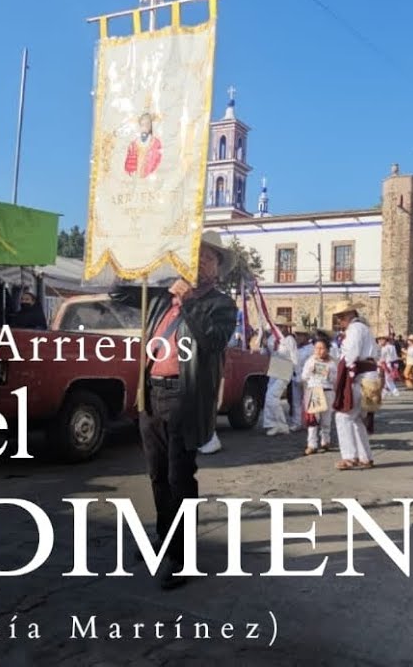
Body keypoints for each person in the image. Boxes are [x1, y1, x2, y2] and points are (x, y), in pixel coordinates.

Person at [119, 230, 237, 589]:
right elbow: (118, 292)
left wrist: (188, 302)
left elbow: (213, 341)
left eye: (209, 256)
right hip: (152, 394)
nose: (201, 261)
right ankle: (165, 540)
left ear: (217, 266)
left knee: (179, 479)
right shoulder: (162, 297)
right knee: (157, 475)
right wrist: (142, 260)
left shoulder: (221, 304)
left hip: (185, 397)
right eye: (194, 254)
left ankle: (182, 559)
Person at [330, 300, 379, 470]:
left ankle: (349, 456)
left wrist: (343, 373)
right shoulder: (362, 328)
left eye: (341, 316)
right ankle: (365, 457)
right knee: (356, 418)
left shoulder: (355, 329)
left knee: (343, 416)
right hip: (368, 376)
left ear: (350, 315)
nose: (339, 320)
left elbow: (351, 354)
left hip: (360, 376)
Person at [300, 335, 338, 455]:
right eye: (317, 348)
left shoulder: (332, 363)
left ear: (327, 349)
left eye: (322, 348)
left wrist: (328, 375)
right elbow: (303, 377)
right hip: (315, 390)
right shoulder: (310, 361)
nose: (319, 351)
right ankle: (312, 444)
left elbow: (335, 379)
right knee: (313, 420)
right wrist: (310, 371)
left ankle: (325, 440)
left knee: (326, 419)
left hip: (327, 391)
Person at [261, 327, 298, 436]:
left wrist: (296, 373)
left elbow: (294, 357)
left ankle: (282, 424)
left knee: (272, 396)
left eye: (281, 326)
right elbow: (265, 353)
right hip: (275, 366)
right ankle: (271, 423)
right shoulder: (272, 338)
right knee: (268, 395)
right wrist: (264, 344)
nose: (280, 328)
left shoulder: (289, 340)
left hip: (286, 366)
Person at [124, 112, 163, 178]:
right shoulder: (134, 143)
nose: (145, 127)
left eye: (147, 125)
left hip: (149, 174)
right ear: (139, 125)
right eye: (142, 125)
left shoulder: (156, 142)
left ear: (151, 126)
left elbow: (157, 159)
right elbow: (129, 159)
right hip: (136, 173)